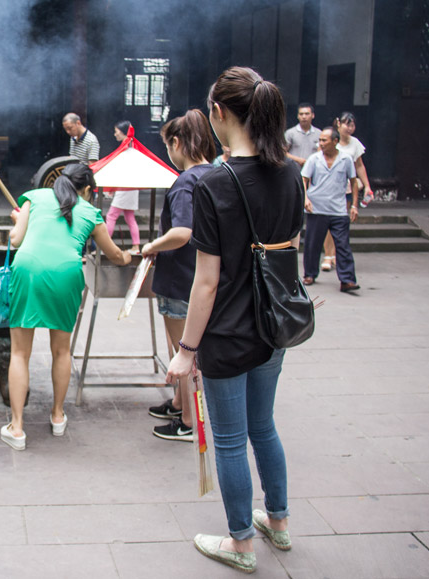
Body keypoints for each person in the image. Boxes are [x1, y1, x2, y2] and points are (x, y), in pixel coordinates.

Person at [166, 67, 303, 574]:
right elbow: (288, 249)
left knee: (229, 439)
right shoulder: (291, 171)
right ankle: (280, 522)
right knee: (263, 425)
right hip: (274, 324)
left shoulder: (213, 183)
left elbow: (206, 281)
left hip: (227, 331)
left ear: (219, 114)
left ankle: (241, 542)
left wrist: (185, 350)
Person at [1, 163, 133, 451]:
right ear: (86, 189)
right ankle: (58, 416)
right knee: (61, 350)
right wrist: (130, 256)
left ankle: (18, 427)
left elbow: (16, 239)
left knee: (20, 353)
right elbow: (113, 254)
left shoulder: (34, 198)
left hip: (28, 270)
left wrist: (17, 220)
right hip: (66, 273)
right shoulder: (90, 212)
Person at [142, 109, 215, 443]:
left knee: (183, 352)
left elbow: (182, 231)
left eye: (168, 146)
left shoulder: (185, 181)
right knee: (186, 350)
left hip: (180, 277)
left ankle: (188, 420)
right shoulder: (214, 174)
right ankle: (178, 403)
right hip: (199, 275)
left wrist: (152, 244)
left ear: (177, 143)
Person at [301, 127, 361, 293]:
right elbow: (304, 180)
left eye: (324, 140)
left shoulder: (346, 159)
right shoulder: (314, 159)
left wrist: (355, 205)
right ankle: (310, 274)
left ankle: (347, 279)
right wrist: (305, 199)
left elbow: (354, 182)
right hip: (317, 208)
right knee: (313, 244)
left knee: (342, 245)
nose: (321, 143)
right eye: (320, 140)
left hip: (339, 209)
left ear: (335, 142)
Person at [320, 111, 374, 272]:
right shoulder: (329, 140)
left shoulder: (355, 143)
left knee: (341, 223)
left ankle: (335, 254)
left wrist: (367, 185)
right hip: (329, 188)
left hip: (347, 188)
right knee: (328, 223)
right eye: (346, 124)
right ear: (338, 124)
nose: (349, 128)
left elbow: (359, 165)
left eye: (352, 125)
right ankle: (328, 256)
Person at [104, 121, 140, 252]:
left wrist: (112, 187)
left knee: (111, 216)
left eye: (116, 131)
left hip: (125, 186)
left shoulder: (126, 147)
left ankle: (105, 246)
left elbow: (120, 170)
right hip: (131, 186)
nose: (115, 134)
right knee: (129, 217)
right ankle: (136, 246)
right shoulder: (132, 145)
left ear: (122, 131)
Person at [284, 103, 321, 167]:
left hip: (312, 169)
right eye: (301, 114)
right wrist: (298, 160)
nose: (304, 117)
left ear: (313, 115)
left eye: (307, 114)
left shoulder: (319, 133)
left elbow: (322, 153)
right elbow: (282, 152)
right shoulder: (290, 133)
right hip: (294, 169)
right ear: (298, 116)